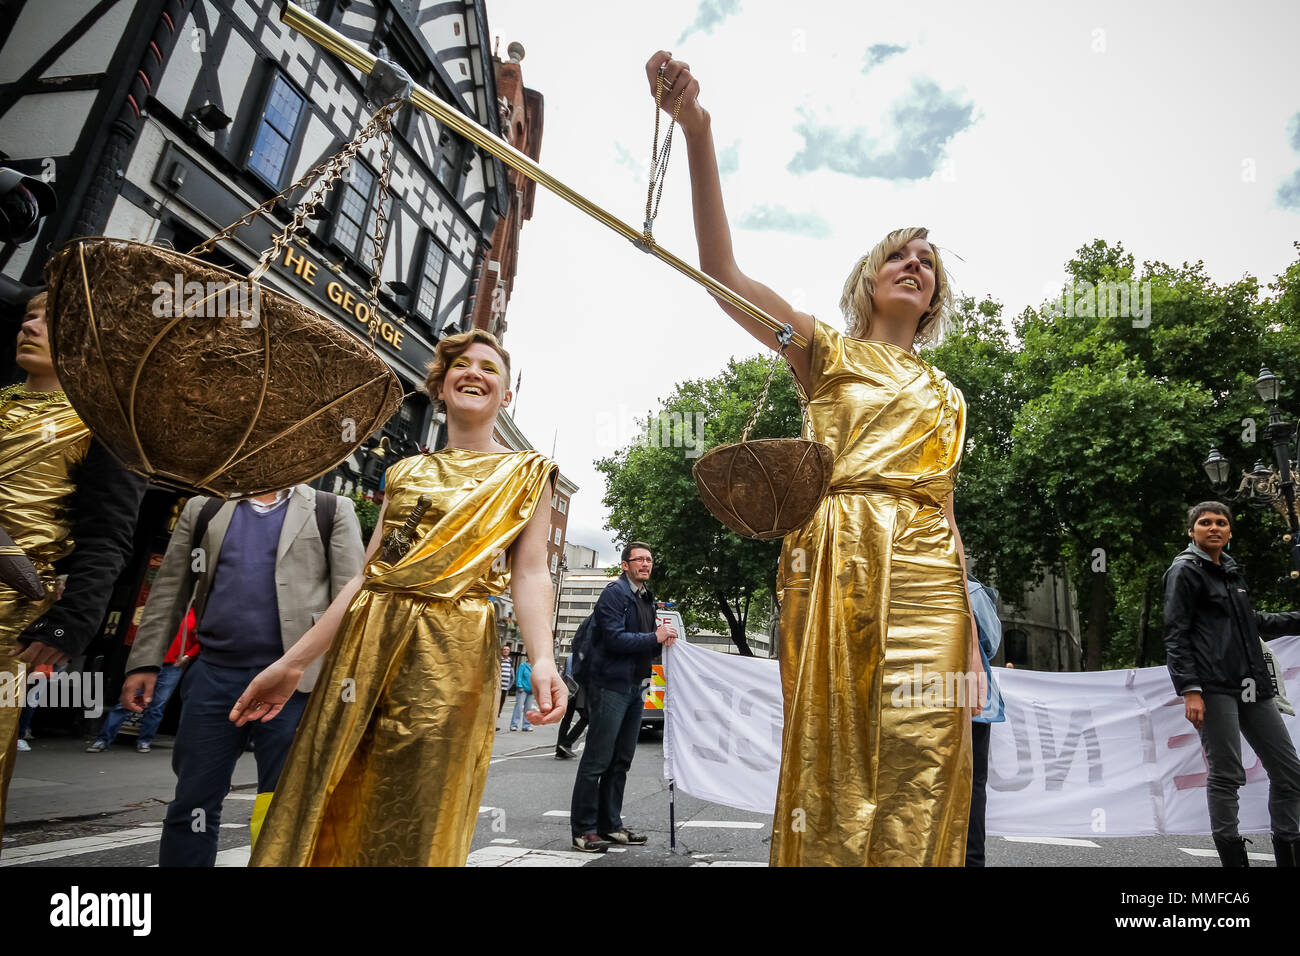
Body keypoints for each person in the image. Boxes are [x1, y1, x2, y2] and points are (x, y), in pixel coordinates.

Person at [644, 53, 983, 866]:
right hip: (836, 549)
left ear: (933, 297)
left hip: (930, 574)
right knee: (832, 740)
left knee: (927, 754)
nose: (915, 265)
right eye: (899, 255)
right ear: (868, 279)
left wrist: (970, 635)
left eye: (927, 262)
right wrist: (697, 128)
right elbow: (720, 276)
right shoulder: (823, 351)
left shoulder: (948, 394)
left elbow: (945, 509)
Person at [231, 330, 567, 866]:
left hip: (452, 648)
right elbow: (365, 580)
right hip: (364, 644)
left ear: (506, 395)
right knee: (331, 780)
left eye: (489, 367)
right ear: (441, 386)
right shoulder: (404, 472)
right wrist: (293, 664)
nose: (472, 371)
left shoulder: (528, 473)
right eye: (460, 364)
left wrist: (544, 659)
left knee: (421, 796)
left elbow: (530, 576)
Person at [120, 482, 363, 866]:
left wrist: (344, 683)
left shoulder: (331, 508)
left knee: (283, 803)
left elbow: (352, 601)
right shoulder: (204, 508)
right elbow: (170, 589)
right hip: (214, 676)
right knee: (193, 800)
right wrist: (145, 663)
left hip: (299, 685)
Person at [0, 290, 146, 845]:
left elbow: (108, 537)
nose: (30, 325)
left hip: (11, 614)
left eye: (50, 319)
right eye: (29, 315)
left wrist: (69, 624)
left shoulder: (104, 428)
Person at [1163, 500, 1300, 867]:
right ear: (1192, 531)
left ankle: (1288, 850)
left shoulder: (1232, 573)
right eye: (1205, 522)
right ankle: (1233, 859)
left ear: (1229, 532)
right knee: (1227, 774)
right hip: (1213, 686)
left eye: (1221, 522)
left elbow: (1252, 621)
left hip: (1253, 684)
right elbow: (1176, 634)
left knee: (1290, 774)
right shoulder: (1184, 571)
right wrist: (1191, 689)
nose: (1214, 527)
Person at [569, 543, 676, 852]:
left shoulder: (645, 598)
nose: (645, 564)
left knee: (621, 761)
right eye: (639, 559)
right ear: (625, 565)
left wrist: (663, 643)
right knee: (597, 760)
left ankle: (611, 825)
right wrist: (653, 637)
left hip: (636, 686)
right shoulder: (614, 594)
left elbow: (644, 643)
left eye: (649, 560)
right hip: (610, 685)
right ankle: (584, 829)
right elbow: (615, 639)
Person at [88, 610, 199, 754]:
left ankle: (144, 740)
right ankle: (103, 739)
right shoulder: (166, 608)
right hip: (148, 662)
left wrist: (187, 656)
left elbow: (198, 641)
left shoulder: (195, 613)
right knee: (125, 702)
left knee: (157, 706)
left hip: (172, 665)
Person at [965, 576, 1006, 867]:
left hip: (918, 696)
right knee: (973, 784)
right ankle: (971, 859)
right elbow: (990, 644)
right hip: (970, 695)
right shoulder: (971, 589)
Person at [555, 653, 589, 759]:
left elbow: (564, 674)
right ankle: (566, 744)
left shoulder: (569, 657)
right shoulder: (584, 655)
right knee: (587, 717)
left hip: (568, 690)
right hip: (580, 691)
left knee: (566, 719)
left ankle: (560, 752)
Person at [510, 654, 534, 731]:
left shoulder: (535, 667)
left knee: (528, 709)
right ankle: (514, 725)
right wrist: (519, 686)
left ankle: (526, 726)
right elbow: (519, 676)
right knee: (519, 707)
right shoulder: (523, 665)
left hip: (531, 690)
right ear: (527, 657)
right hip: (522, 689)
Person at [498, 644, 514, 729]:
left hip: (505, 687)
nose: (505, 651)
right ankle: (495, 715)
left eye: (507, 650)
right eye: (504, 649)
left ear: (509, 651)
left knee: (502, 702)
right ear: (502, 651)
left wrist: (509, 686)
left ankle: (498, 714)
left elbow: (512, 676)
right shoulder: (499, 660)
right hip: (498, 687)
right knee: (496, 702)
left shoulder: (510, 661)